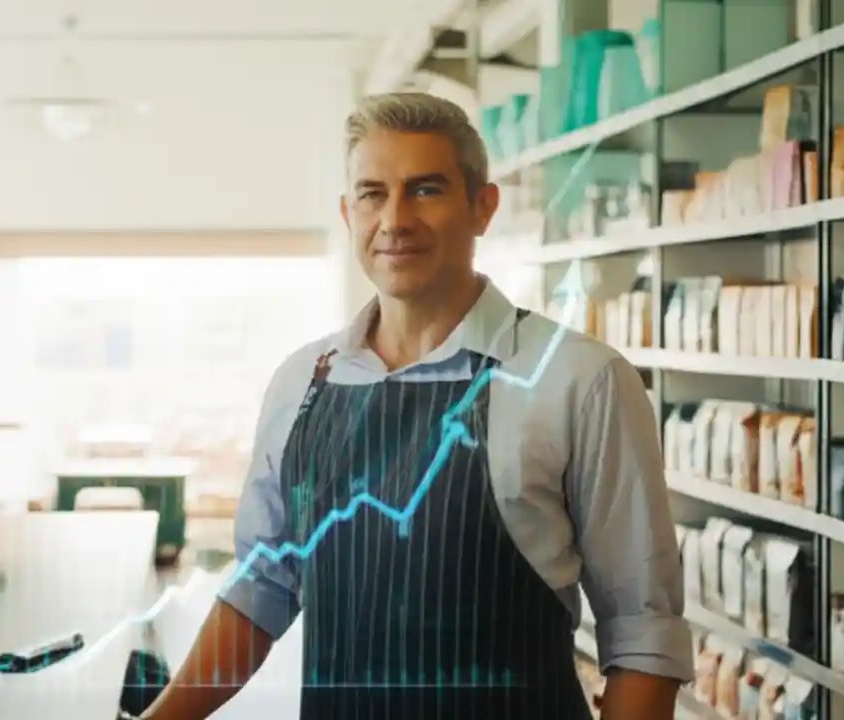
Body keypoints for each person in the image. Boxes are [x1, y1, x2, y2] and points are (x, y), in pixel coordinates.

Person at [138, 92, 692, 719]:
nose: (395, 220)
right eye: (373, 194)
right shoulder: (302, 383)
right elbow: (259, 591)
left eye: (425, 190)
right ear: (349, 214)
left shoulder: (579, 379)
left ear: (482, 208)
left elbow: (643, 633)